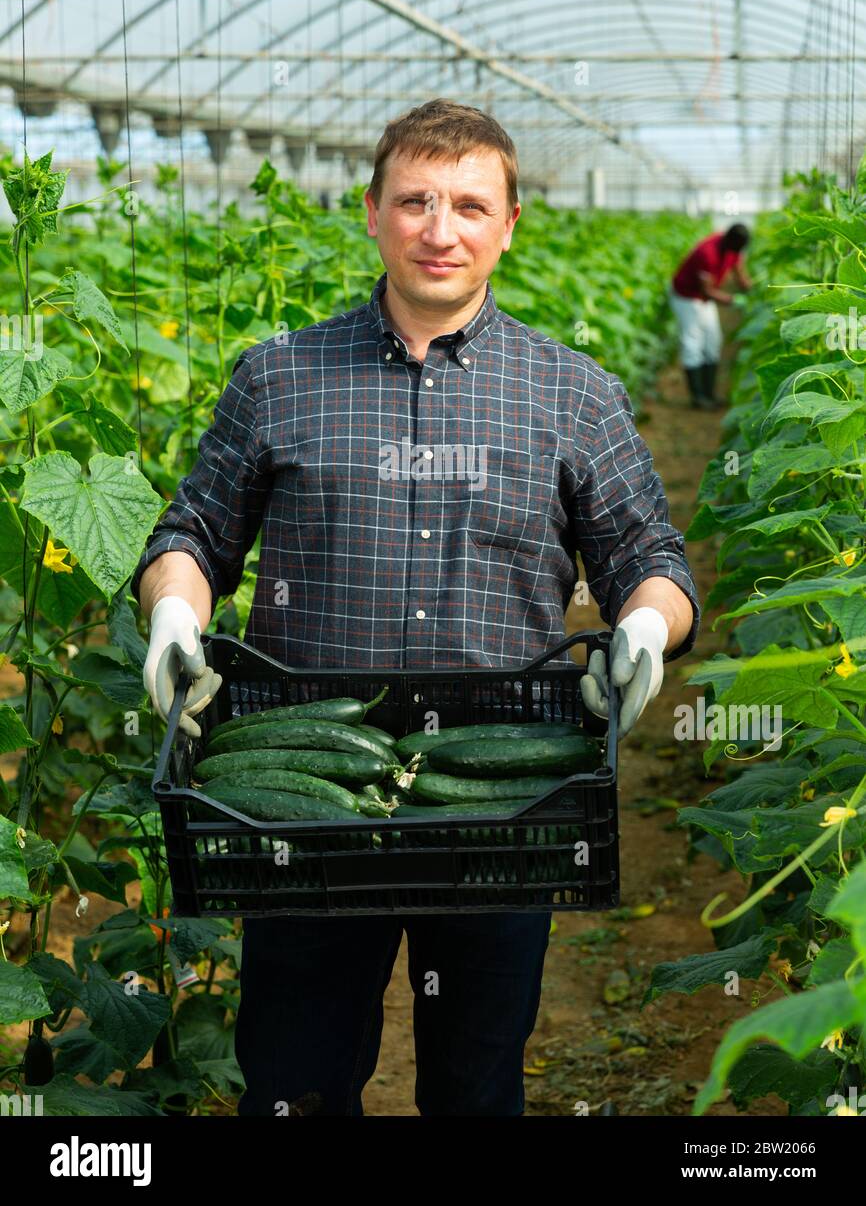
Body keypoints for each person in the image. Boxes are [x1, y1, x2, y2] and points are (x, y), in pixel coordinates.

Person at [132, 98, 700, 1118]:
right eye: (416, 200)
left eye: (470, 206)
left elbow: (647, 555)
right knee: (294, 1081)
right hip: (300, 794)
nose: (441, 229)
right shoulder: (278, 378)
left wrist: (648, 625)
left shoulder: (571, 392)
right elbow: (193, 534)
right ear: (372, 213)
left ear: (509, 226)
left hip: (499, 803)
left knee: (475, 1083)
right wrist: (175, 612)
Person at [670, 222, 752, 410]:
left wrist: (746, 284)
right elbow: (706, 291)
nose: (738, 252)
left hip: (703, 299)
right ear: (730, 241)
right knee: (692, 342)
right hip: (686, 297)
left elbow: (738, 269)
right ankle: (698, 397)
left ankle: (709, 394)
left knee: (712, 341)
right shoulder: (706, 253)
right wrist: (732, 300)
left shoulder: (732, 248)